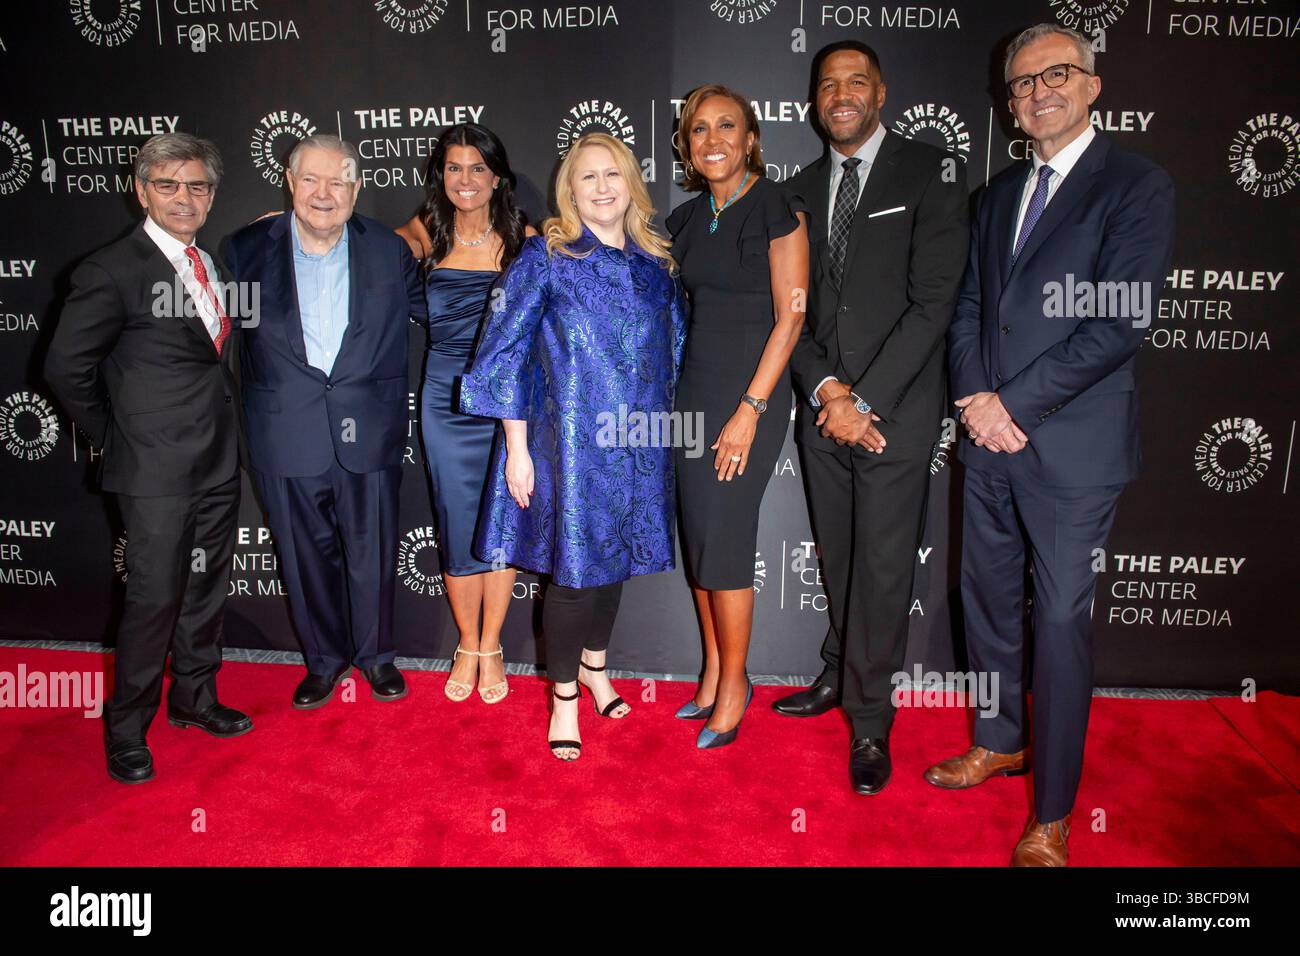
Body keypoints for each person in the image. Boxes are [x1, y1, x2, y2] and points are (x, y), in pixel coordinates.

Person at [930, 23, 1175, 866]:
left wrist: (1013, 406)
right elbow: (970, 307)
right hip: (988, 440)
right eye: (1022, 83)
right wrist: (974, 400)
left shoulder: (1136, 185)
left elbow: (1118, 322)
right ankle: (999, 738)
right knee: (989, 608)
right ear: (1010, 104)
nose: (1038, 91)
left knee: (1062, 622)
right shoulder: (997, 194)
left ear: (1092, 85)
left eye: (1057, 74)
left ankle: (1055, 810)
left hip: (1071, 448)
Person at [772, 41, 969, 795]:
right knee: (841, 555)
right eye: (829, 85)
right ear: (815, 100)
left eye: (857, 82)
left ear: (880, 92)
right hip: (825, 414)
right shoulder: (797, 189)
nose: (843, 95)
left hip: (894, 413)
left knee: (885, 569)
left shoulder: (929, 172)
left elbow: (933, 304)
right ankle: (836, 670)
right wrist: (828, 392)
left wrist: (864, 400)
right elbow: (793, 311)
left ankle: (871, 721)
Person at [460, 132, 687, 761]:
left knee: (614, 569)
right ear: (571, 190)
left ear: (631, 184)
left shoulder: (657, 265)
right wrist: (518, 448)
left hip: (640, 447)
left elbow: (674, 357)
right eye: (588, 177)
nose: (603, 187)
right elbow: (503, 354)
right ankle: (563, 699)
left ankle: (594, 668)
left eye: (613, 174)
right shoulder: (548, 259)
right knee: (571, 575)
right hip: (570, 448)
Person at [45, 132, 251, 784]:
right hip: (155, 470)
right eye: (168, 185)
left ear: (212, 195)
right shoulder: (111, 269)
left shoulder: (209, 263)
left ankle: (195, 697)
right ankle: (128, 728)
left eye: (196, 186)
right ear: (141, 191)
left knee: (204, 588)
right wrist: (116, 435)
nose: (183, 197)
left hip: (219, 459)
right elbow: (64, 368)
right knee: (154, 598)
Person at [225, 134, 427, 710]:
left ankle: (376, 656)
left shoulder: (388, 251)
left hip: (369, 427)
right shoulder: (242, 249)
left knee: (374, 548)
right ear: (289, 183)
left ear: (357, 188)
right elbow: (217, 335)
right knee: (302, 554)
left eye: (338, 181)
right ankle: (323, 660)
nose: (323, 193)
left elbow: (440, 311)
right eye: (310, 179)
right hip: (283, 428)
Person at [666, 85, 809, 750]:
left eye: (727, 126)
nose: (713, 139)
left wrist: (750, 410)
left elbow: (793, 315)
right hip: (692, 392)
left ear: (751, 137)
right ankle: (714, 670)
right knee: (700, 540)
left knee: (724, 540)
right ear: (686, 145)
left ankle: (736, 684)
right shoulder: (687, 219)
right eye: (699, 130)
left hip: (749, 394)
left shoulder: (779, 207)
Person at [400, 124, 535, 704]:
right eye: (453, 168)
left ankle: (494, 643)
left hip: (508, 400)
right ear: (441, 176)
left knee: (502, 517)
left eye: (477, 168)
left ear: (497, 176)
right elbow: (356, 249)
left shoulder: (524, 239)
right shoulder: (423, 233)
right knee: (456, 518)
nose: (465, 179)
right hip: (444, 399)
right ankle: (466, 644)